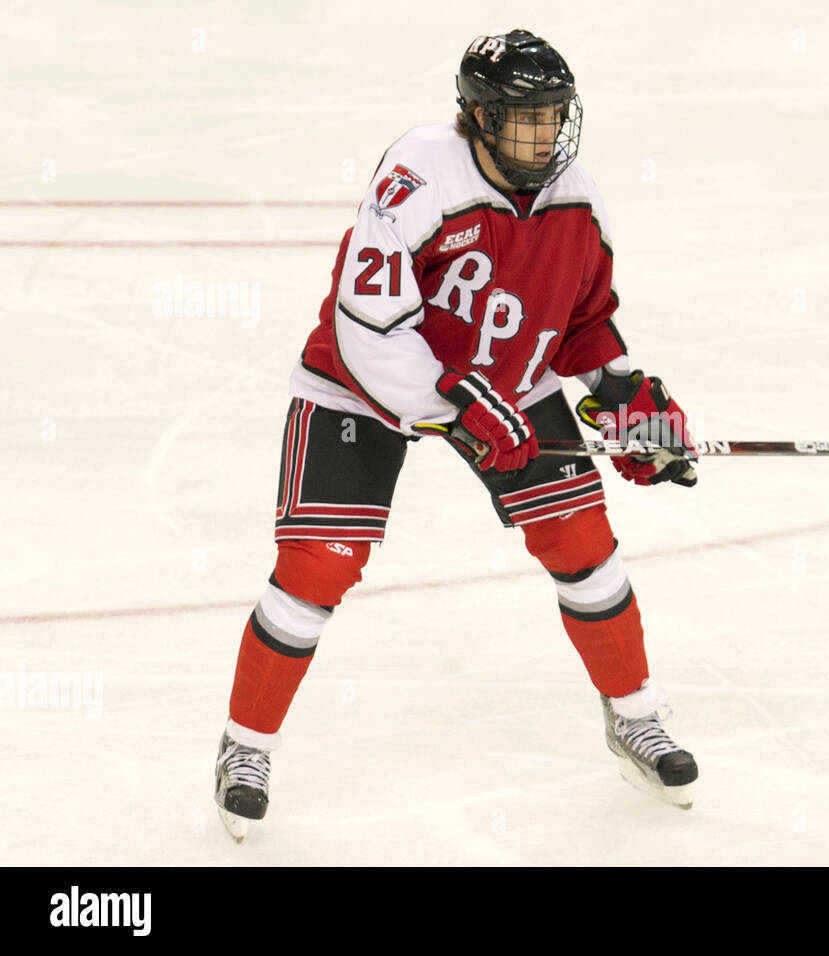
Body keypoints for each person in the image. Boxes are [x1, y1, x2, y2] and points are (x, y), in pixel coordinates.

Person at [213, 29, 700, 839]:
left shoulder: (578, 199)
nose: (544, 136)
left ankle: (636, 717)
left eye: (554, 117)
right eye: (525, 118)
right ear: (477, 115)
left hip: (504, 384)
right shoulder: (420, 172)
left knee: (582, 542)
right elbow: (366, 324)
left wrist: (628, 402)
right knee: (315, 568)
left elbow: (584, 324)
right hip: (363, 386)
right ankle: (244, 746)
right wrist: (453, 407)